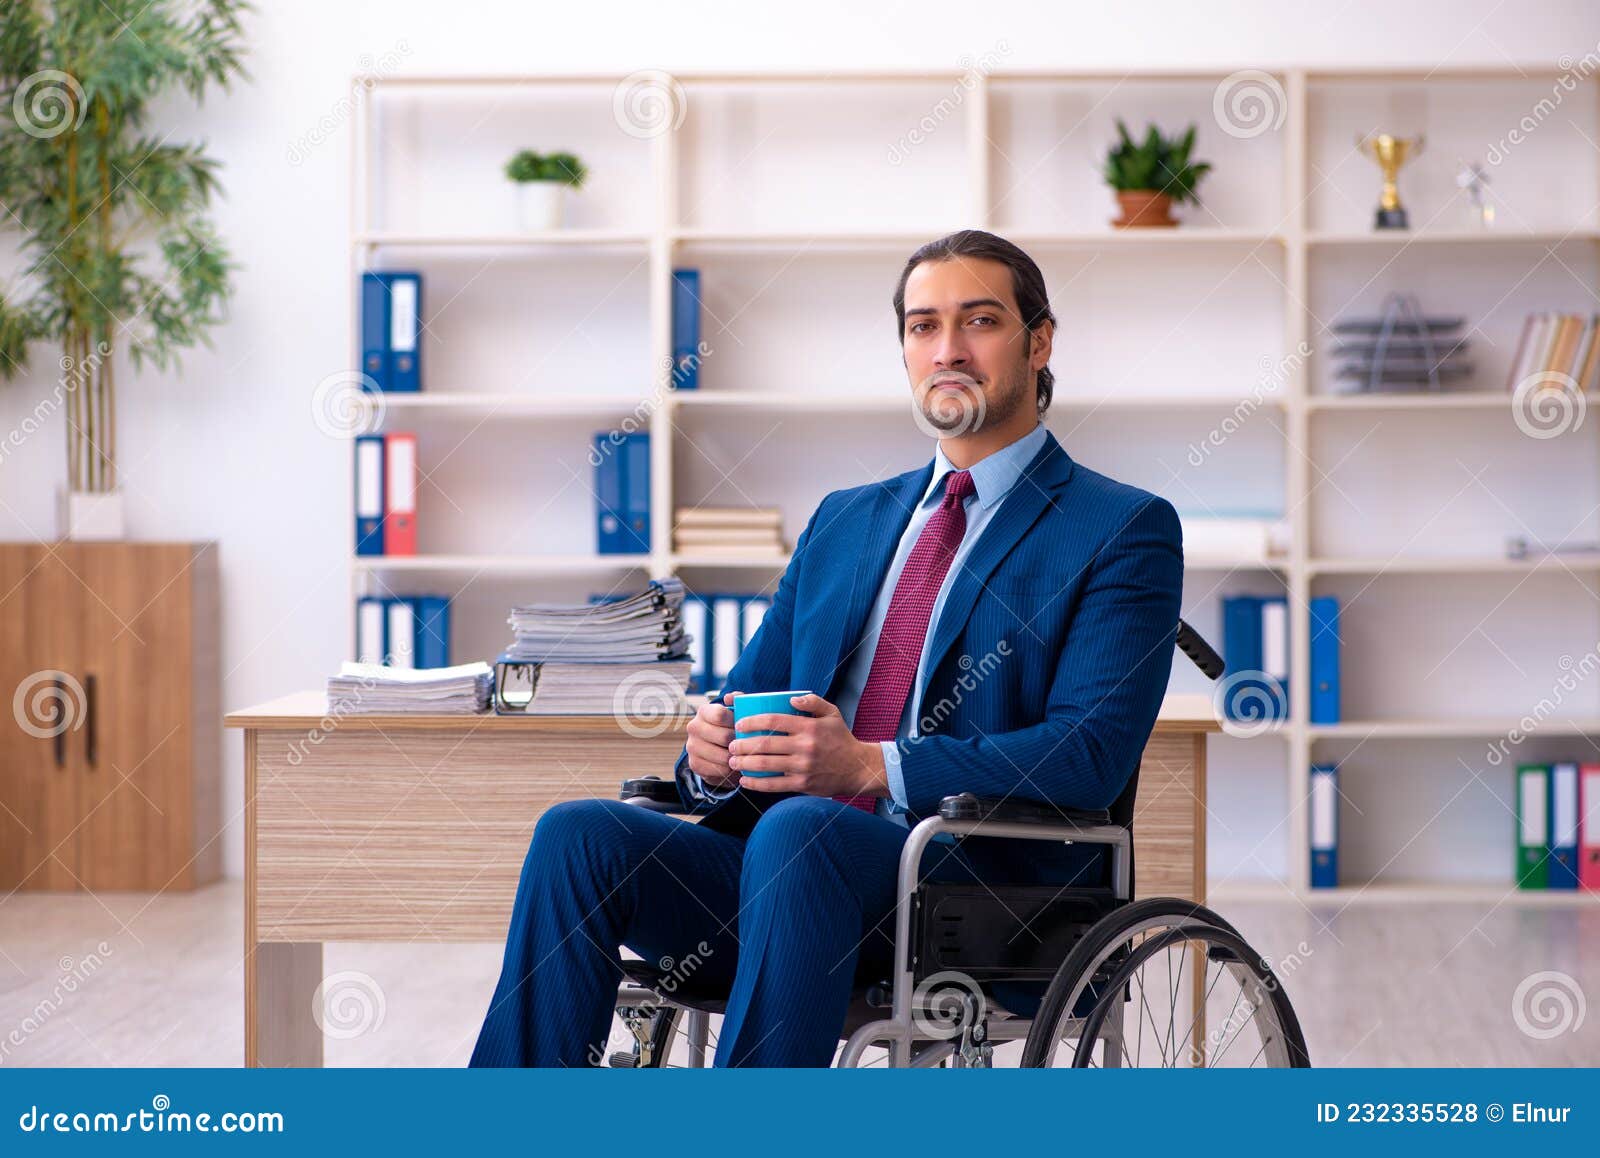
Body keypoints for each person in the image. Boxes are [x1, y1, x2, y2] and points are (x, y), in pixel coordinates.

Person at [469, 229, 1183, 1067]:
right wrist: (711, 752)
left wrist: (874, 768)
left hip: (977, 886)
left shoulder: (1120, 528)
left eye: (979, 321)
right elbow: (748, 695)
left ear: (1040, 341)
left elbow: (1088, 756)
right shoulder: (846, 519)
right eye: (922, 327)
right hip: (779, 871)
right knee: (577, 835)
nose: (947, 349)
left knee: (803, 830)